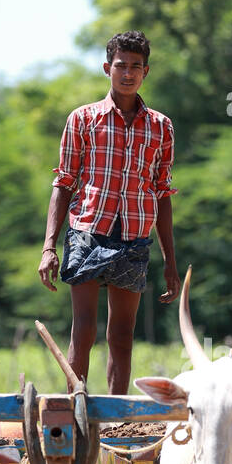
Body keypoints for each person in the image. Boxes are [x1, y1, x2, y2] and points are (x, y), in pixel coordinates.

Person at [38, 30, 182, 394]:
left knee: (121, 334)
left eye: (136, 66)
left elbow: (162, 192)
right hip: (88, 229)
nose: (128, 73)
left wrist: (170, 260)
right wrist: (48, 247)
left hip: (134, 237)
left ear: (146, 72)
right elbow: (64, 183)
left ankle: (118, 418)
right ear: (107, 68)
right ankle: (77, 408)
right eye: (121, 65)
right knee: (84, 328)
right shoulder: (84, 119)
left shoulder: (160, 127)